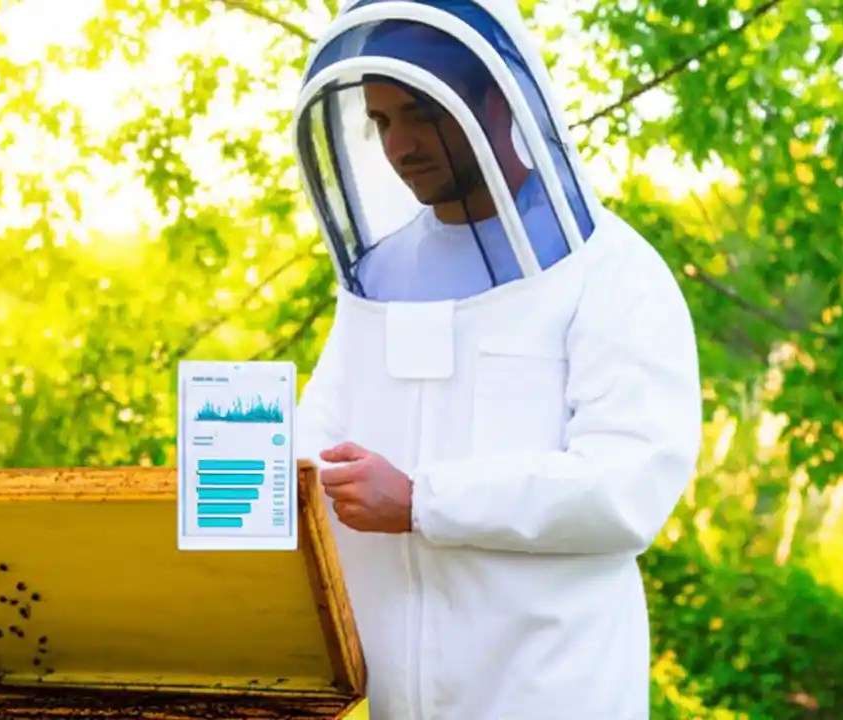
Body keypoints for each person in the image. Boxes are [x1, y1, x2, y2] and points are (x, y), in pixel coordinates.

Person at [290, 1, 703, 718]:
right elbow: (311, 457)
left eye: (421, 114)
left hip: (549, 693)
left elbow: (627, 486)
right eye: (382, 122)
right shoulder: (377, 278)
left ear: (496, 102)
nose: (400, 146)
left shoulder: (610, 271)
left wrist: (423, 501)